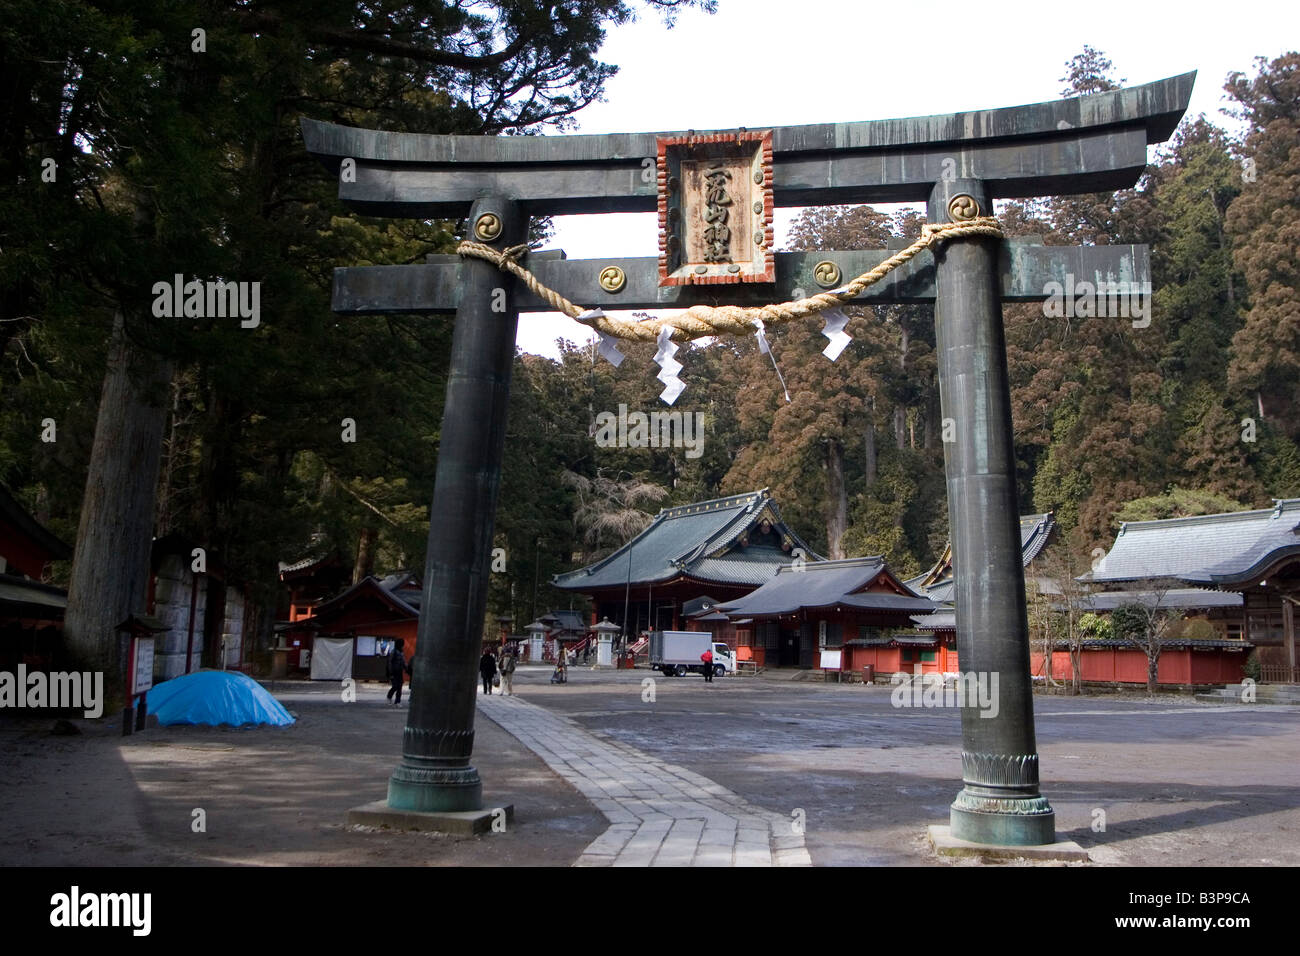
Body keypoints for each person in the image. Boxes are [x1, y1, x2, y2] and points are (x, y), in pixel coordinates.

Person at [387, 639, 408, 705]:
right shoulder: (394, 652)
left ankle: (397, 701)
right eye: (402, 644)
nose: (403, 646)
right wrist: (390, 672)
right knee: (395, 686)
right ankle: (389, 696)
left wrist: (406, 668)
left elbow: (403, 661)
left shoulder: (401, 652)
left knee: (400, 687)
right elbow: (389, 662)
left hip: (399, 671)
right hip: (394, 671)